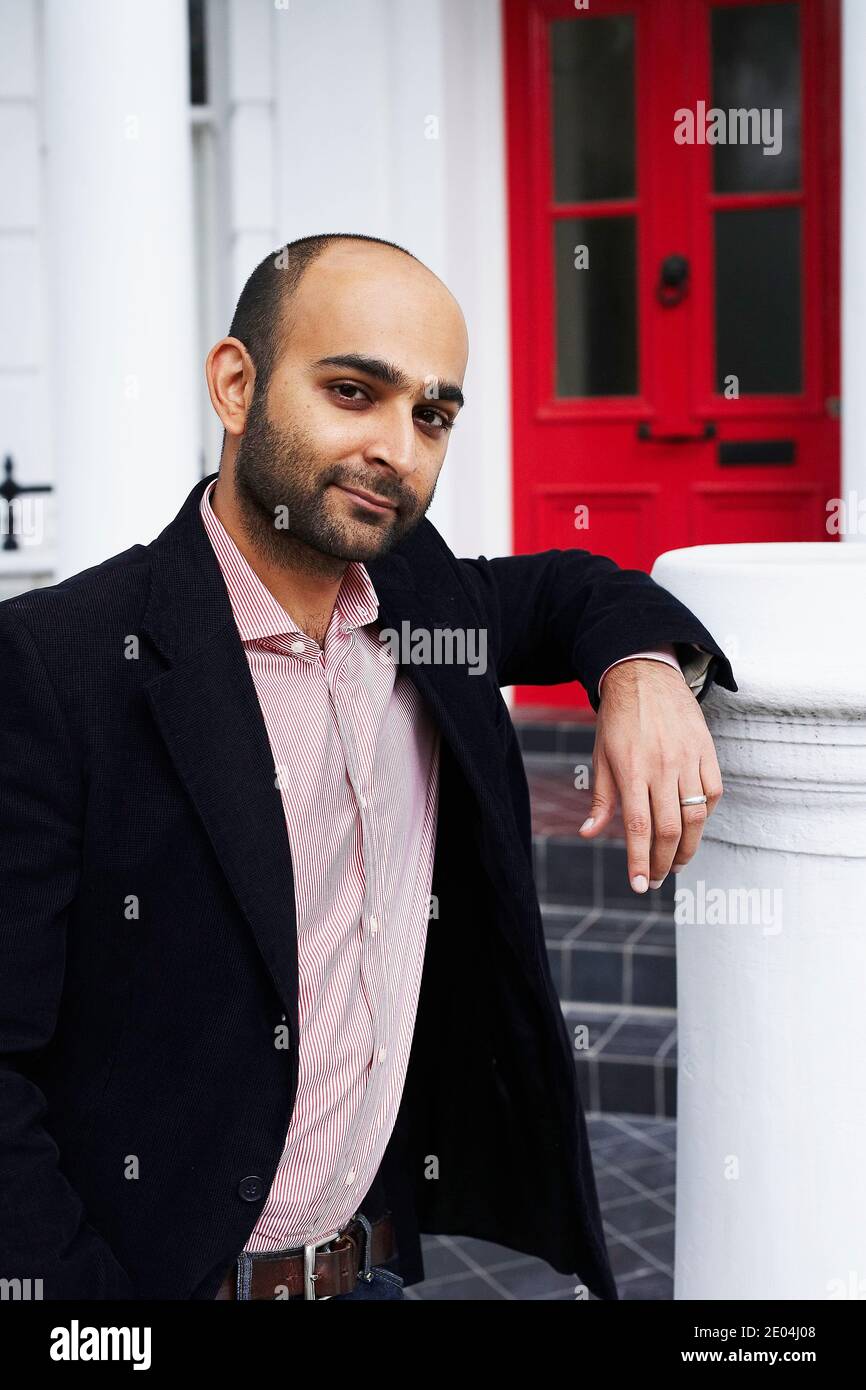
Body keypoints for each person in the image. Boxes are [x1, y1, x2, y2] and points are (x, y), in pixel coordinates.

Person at [0, 234, 735, 1301]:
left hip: (369, 1270)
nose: (398, 448)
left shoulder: (421, 605)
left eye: (431, 414)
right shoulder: (58, 668)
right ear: (235, 384)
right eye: (354, 390)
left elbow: (572, 589)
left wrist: (639, 670)